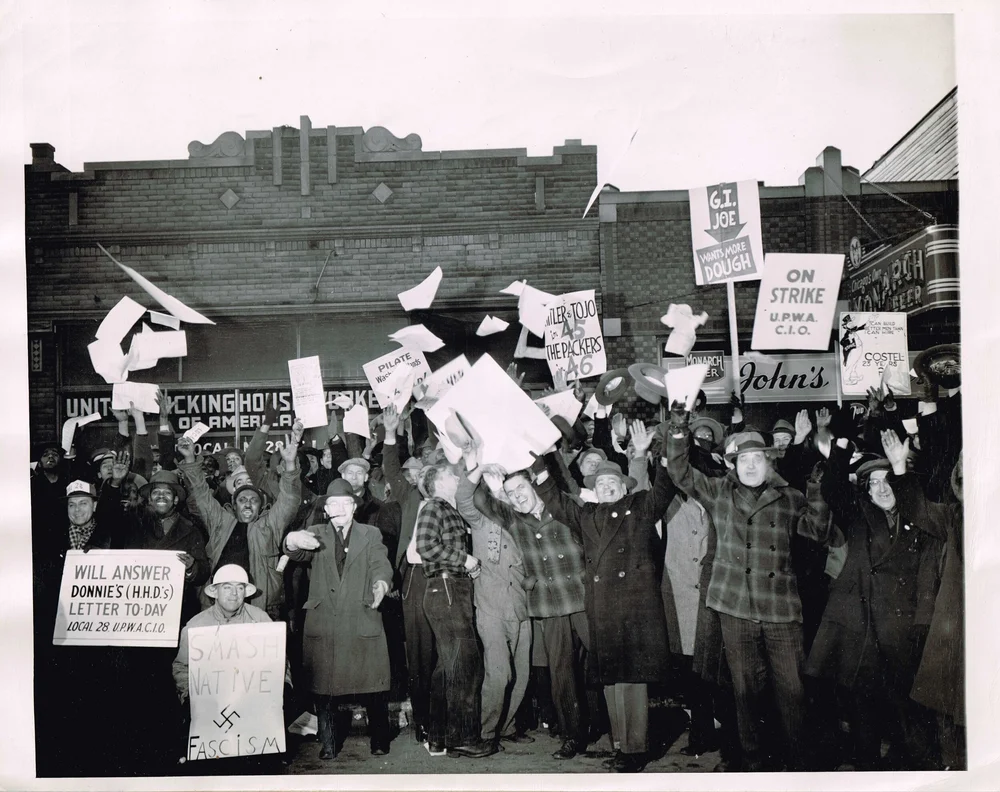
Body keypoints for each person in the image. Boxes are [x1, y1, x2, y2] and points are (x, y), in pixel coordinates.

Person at [666, 402, 830, 772]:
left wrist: (817, 490)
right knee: (744, 693)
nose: (751, 465)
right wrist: (678, 428)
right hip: (736, 609)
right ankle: (753, 766)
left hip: (781, 611)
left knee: (792, 692)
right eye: (744, 460)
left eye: (758, 458)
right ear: (733, 464)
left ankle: (800, 767)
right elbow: (679, 472)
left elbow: (819, 533)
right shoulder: (719, 492)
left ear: (770, 463)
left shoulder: (791, 497)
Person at [531, 419, 678, 773]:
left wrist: (645, 454)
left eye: (614, 482)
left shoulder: (641, 507)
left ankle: (635, 748)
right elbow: (552, 498)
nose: (608, 486)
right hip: (602, 609)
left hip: (634, 608)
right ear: (594, 489)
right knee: (611, 678)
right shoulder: (586, 514)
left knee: (632, 680)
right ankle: (620, 744)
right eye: (602, 483)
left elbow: (666, 487)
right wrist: (537, 461)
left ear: (623, 487)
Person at [805, 429, 945, 770]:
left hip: (901, 633)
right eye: (873, 483)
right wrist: (839, 446)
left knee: (906, 718)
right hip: (862, 633)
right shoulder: (858, 516)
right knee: (863, 717)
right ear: (865, 490)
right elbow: (833, 489)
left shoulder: (920, 518)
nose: (882, 489)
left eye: (888, 481)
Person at [465, 460, 591, 761]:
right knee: (562, 674)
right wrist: (489, 479)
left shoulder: (563, 506)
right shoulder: (513, 518)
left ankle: (610, 731)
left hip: (585, 597)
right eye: (512, 492)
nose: (518, 495)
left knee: (602, 664)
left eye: (521, 487)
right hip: (550, 604)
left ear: (534, 485)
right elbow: (479, 500)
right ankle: (572, 736)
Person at [283, 479, 394, 759]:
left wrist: (382, 583)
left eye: (346, 503)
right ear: (327, 509)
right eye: (334, 503)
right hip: (325, 621)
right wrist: (292, 539)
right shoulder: (316, 533)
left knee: (374, 685)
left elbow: (381, 563)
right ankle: (329, 743)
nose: (340, 508)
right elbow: (295, 550)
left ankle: (379, 739)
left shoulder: (371, 534)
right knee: (324, 688)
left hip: (361, 615)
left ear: (354, 506)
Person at [177, 422, 304, 619]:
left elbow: (289, 500)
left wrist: (289, 465)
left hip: (261, 608)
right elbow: (201, 495)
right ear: (234, 505)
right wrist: (190, 459)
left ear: (261, 507)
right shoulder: (220, 521)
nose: (247, 504)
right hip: (215, 607)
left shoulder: (270, 525)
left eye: (253, 501)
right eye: (242, 500)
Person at [415, 463, 495, 758]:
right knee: (465, 665)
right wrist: (465, 560)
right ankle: (463, 738)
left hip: (449, 589)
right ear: (437, 483)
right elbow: (425, 545)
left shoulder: (447, 509)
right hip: (447, 589)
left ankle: (439, 737)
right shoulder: (434, 506)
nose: (456, 477)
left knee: (447, 667)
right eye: (450, 475)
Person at [455, 468, 532, 750]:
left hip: (522, 605)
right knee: (499, 673)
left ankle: (507, 726)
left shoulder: (525, 520)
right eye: (505, 492)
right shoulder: (481, 519)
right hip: (490, 605)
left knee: (521, 673)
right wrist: (476, 470)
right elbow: (464, 497)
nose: (510, 497)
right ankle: (485, 735)